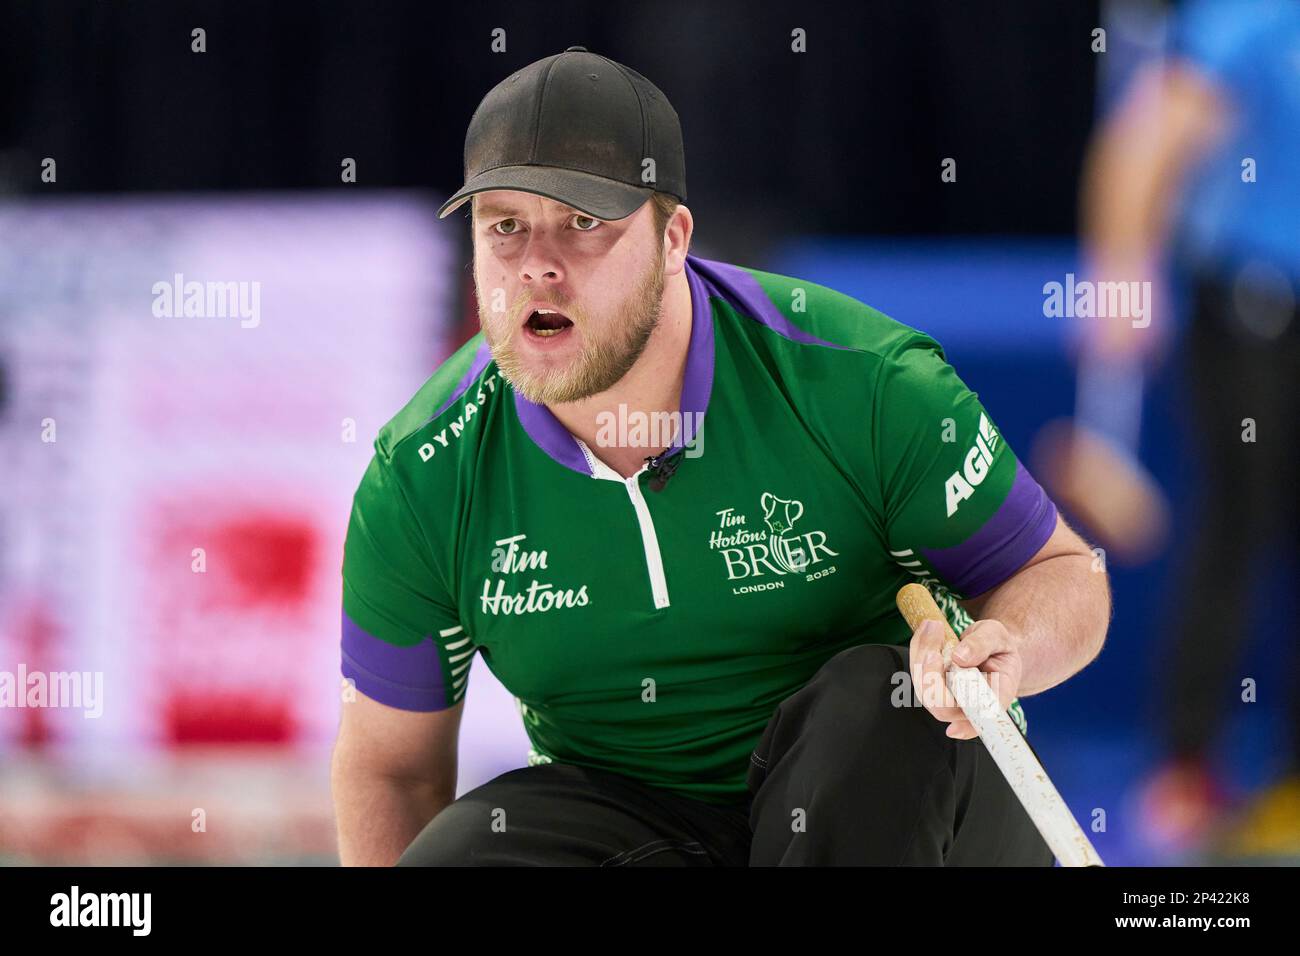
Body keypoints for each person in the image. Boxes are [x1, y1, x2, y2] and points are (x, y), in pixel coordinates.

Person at [330, 46, 1110, 866]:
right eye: (506, 228)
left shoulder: (859, 385)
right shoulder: (423, 474)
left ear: (674, 238)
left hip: (903, 816)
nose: (538, 267)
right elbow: (390, 767)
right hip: (650, 825)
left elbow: (1068, 573)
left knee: (876, 709)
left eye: (584, 224)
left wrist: (1011, 643)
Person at [1079, 0, 1300, 857]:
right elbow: (1145, 143)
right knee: (1239, 527)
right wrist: (1119, 279)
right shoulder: (1258, 17)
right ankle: (1185, 770)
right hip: (1250, 307)